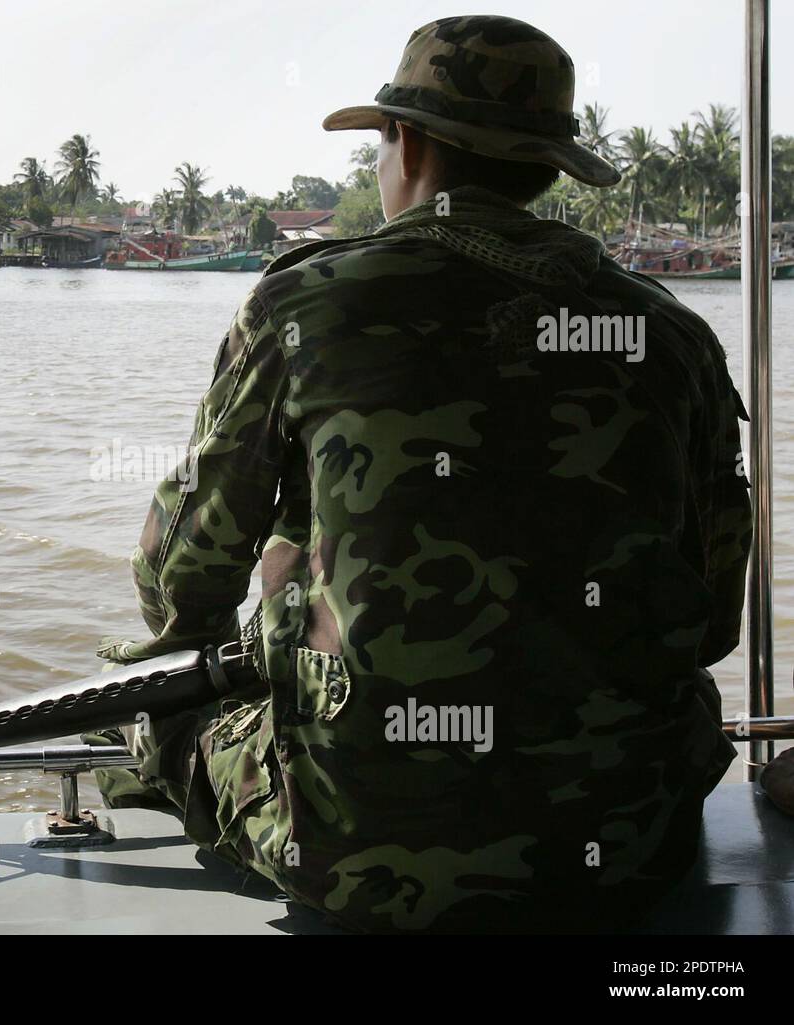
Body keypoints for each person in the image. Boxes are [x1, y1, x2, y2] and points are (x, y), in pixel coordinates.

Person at [89, 14, 753, 933]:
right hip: (627, 842)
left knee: (164, 720)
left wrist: (289, 570)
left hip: (354, 854)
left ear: (406, 143)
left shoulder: (304, 305)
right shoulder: (672, 337)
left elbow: (177, 586)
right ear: (548, 166)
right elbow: (714, 623)